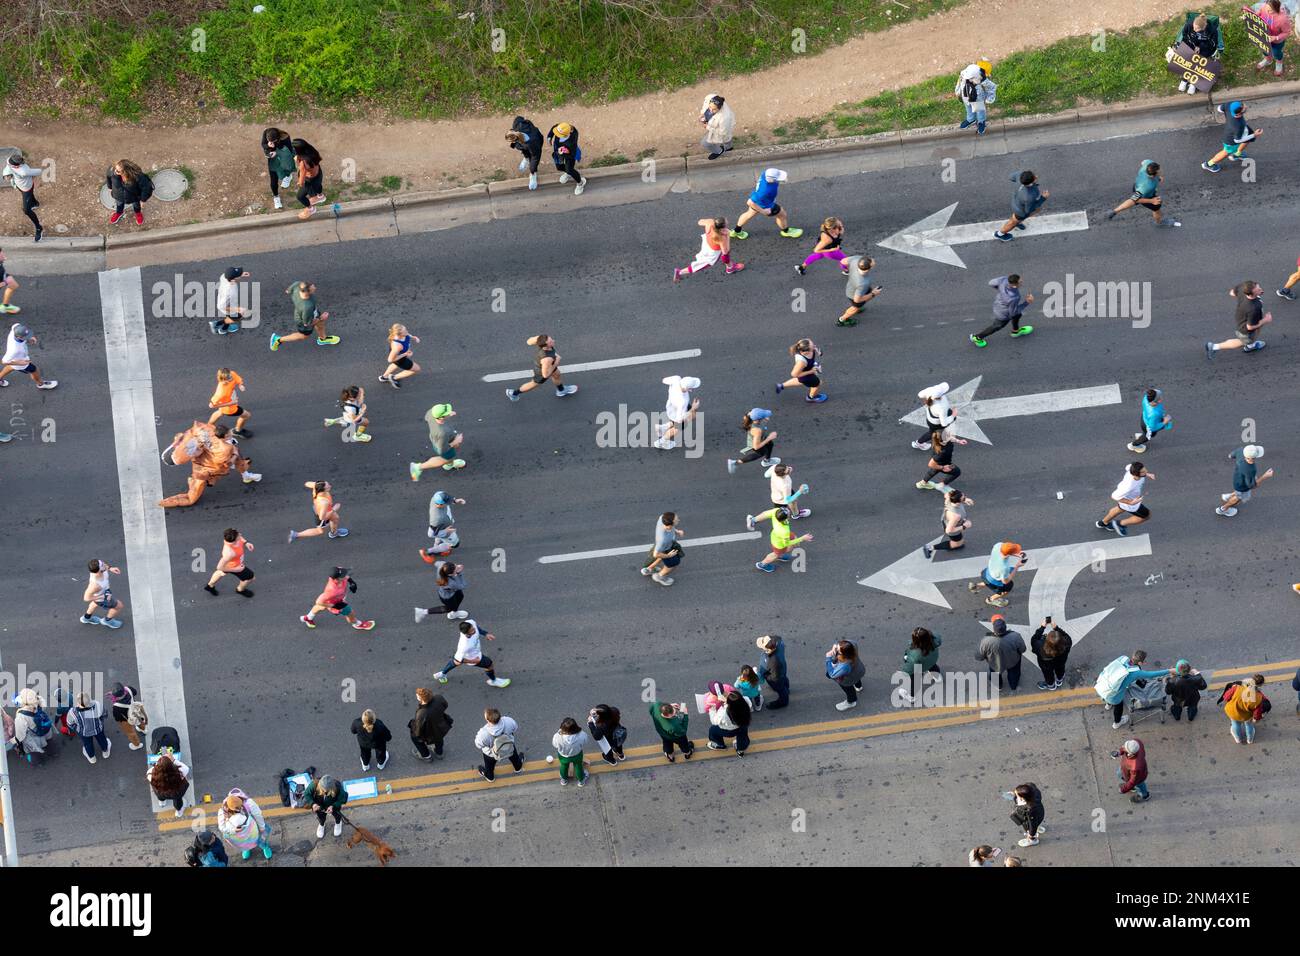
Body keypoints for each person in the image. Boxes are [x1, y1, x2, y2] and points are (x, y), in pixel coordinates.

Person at [1095, 651, 1174, 729]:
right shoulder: (1136, 673)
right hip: (1113, 695)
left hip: (1103, 687)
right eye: (1144, 661)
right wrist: (1169, 670)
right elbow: (1152, 674)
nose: (1145, 662)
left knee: (1110, 695)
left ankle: (1108, 705)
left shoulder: (1123, 658)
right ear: (1140, 663)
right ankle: (1117, 723)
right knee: (1118, 706)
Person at [433, 618, 511, 687]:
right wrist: (473, 661)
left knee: (455, 663)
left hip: (471, 653)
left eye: (472, 628)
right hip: (473, 657)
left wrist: (486, 634)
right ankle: (494, 681)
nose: (474, 630)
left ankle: (442, 674)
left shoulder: (471, 623)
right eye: (472, 630)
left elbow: (477, 628)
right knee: (489, 664)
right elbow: (458, 659)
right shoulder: (465, 645)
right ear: (466, 633)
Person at [730, 168, 802, 240]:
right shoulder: (764, 192)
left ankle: (736, 231)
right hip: (766, 205)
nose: (778, 179)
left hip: (761, 201)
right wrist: (763, 211)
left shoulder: (766, 174)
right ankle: (786, 231)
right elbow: (750, 202)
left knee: (749, 214)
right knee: (782, 215)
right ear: (771, 180)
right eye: (777, 179)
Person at [1105, 160, 1180, 228]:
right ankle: (1159, 222)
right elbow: (1136, 199)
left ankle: (1113, 212)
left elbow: (1143, 162)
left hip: (1137, 186)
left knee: (1132, 200)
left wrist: (1159, 178)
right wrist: (1152, 201)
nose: (1161, 170)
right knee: (1156, 208)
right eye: (1159, 170)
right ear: (1154, 174)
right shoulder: (1147, 186)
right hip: (1146, 195)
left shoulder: (1148, 163)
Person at [1206, 280, 1271, 356]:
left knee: (1254, 332)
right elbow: (1250, 327)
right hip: (1245, 328)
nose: (1261, 289)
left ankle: (1251, 345)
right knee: (1245, 340)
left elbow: (1232, 293)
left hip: (1242, 316)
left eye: (1258, 286)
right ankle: (1214, 346)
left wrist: (1243, 297)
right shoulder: (1254, 308)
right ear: (1251, 294)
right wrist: (1265, 320)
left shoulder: (1243, 287)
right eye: (1258, 289)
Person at [299, 566, 375, 631]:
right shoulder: (332, 590)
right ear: (336, 579)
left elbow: (345, 576)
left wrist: (352, 582)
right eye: (342, 576)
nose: (345, 575)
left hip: (336, 597)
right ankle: (357, 624)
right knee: (349, 613)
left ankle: (308, 617)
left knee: (320, 607)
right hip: (336, 602)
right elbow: (319, 601)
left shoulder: (338, 571)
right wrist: (334, 606)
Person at [505, 334, 577, 401]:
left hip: (547, 363)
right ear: (545, 346)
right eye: (550, 341)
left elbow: (528, 341)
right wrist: (556, 362)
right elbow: (545, 375)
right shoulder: (547, 359)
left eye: (551, 339)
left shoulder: (540, 340)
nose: (553, 341)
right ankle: (514, 393)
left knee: (556, 375)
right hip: (542, 371)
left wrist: (537, 338)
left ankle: (561, 390)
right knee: (533, 384)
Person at [271, 279, 338, 350]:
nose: (315, 287)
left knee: (320, 324)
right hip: (304, 319)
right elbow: (307, 324)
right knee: (304, 336)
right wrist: (321, 318)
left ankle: (323, 339)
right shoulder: (307, 307)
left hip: (308, 312)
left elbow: (287, 291)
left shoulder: (297, 284)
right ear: (306, 292)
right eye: (312, 288)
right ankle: (278, 340)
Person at [970, 274, 1034, 347]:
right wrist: (1027, 302)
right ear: (1014, 285)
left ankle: (1015, 331)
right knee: (997, 326)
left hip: (998, 304)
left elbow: (991, 283)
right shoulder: (1013, 297)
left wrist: (1001, 291)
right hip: (1003, 313)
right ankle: (977, 337)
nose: (1022, 281)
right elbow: (1013, 313)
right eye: (1020, 282)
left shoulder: (1004, 280)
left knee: (1018, 315)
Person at [673, 216, 744, 281]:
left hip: (706, 243)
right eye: (726, 223)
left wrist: (708, 222)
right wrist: (728, 235)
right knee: (699, 265)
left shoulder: (710, 222)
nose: (727, 222)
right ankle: (680, 272)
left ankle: (730, 267)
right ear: (722, 228)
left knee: (702, 257)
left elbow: (700, 222)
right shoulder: (721, 237)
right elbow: (726, 252)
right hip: (712, 252)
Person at [1094, 461, 1154, 537]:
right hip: (1131, 503)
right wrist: (1130, 503)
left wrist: (1147, 474)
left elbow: (1127, 467)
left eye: (1145, 469)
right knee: (1147, 516)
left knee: (1120, 508)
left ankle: (1103, 523)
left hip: (1125, 498)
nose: (1146, 471)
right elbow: (1114, 496)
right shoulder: (1129, 486)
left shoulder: (1131, 468)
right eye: (1143, 472)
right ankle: (1119, 524)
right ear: (1136, 474)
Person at [410, 403, 466, 480]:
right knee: (445, 458)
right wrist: (455, 442)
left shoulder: (431, 412)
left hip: (438, 438)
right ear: (441, 417)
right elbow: (442, 450)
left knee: (450, 456)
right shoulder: (443, 433)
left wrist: (448, 414)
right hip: (443, 443)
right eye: (447, 413)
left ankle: (449, 464)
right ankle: (418, 467)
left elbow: (427, 417)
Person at [1216, 444, 1273, 517]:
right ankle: (1223, 509)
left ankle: (1228, 496)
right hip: (1242, 486)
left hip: (1237, 478)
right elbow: (1252, 486)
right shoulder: (1250, 469)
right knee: (1239, 498)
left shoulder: (1241, 450)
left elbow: (1230, 455)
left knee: (1238, 491)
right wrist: (1265, 476)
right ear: (1253, 458)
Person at [750, 506, 812, 573]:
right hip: (779, 543)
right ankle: (762, 564)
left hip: (777, 535)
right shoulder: (784, 531)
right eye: (788, 514)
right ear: (785, 518)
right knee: (775, 554)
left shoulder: (776, 512)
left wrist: (754, 520)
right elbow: (786, 543)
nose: (789, 512)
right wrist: (802, 538)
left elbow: (765, 514)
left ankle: (781, 555)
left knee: (791, 546)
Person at [1202, 101, 1260, 173]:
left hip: (1239, 131)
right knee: (1225, 152)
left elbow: (1219, 109)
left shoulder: (1230, 105)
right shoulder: (1238, 125)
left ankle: (1237, 154)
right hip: (1231, 140)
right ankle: (1209, 164)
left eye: (1242, 104)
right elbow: (1237, 140)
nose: (1245, 106)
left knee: (1247, 140)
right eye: (1243, 107)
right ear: (1238, 114)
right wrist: (1254, 134)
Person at [218, 788, 273, 860]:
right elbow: (222, 827)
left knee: (261, 839)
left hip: (253, 828)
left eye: (240, 805)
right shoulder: (222, 812)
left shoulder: (249, 803)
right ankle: (246, 848)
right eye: (237, 808)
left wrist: (262, 827)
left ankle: (265, 846)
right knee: (245, 842)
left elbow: (258, 815)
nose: (240, 808)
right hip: (239, 834)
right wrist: (233, 830)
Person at [967, 541, 1026, 608]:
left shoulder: (998, 545)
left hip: (987, 572)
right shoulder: (1004, 568)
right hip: (994, 580)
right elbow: (1006, 581)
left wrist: (1017, 554)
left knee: (989, 581)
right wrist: (1017, 566)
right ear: (1009, 554)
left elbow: (1005, 552)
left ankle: (976, 586)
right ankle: (991, 600)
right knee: (1006, 589)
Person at [994, 171, 1048, 241]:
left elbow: (1011, 177)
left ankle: (1017, 222)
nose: (1036, 175)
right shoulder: (1029, 196)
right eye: (1034, 175)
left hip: (1016, 201)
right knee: (1012, 222)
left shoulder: (1020, 175)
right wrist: (1043, 198)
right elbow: (1028, 210)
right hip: (1020, 210)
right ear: (1034, 179)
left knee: (1017, 219)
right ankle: (1000, 234)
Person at [0, 322, 57, 389]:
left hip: (14, 359)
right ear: (19, 337)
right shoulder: (15, 349)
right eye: (25, 337)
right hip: (20, 361)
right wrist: (19, 363)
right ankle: (40, 384)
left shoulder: (15, 327)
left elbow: (16, 324)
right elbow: (4, 361)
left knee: (11, 367)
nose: (28, 337)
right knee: (33, 370)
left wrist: (29, 338)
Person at [1174, 13, 1222, 93]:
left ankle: (1193, 83)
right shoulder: (1189, 25)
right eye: (1194, 27)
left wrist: (1200, 47)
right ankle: (1184, 80)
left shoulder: (1212, 30)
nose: (1194, 29)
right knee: (1189, 59)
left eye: (1197, 29)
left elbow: (1213, 44)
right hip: (1192, 44)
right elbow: (1185, 36)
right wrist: (1194, 46)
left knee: (1198, 61)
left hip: (1206, 48)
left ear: (1204, 27)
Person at [977, 615, 1026, 691]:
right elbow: (1023, 649)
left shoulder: (986, 641)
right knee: (1014, 674)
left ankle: (999, 686)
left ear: (994, 629)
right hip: (1012, 661)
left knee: (995, 675)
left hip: (995, 663)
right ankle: (1013, 685)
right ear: (1005, 627)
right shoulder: (1015, 636)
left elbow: (979, 657)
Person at [2, 153, 43, 241]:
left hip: (26, 188)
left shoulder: (24, 171)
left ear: (17, 166)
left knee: (26, 210)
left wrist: (40, 171)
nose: (9, 164)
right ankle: (35, 203)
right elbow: (8, 167)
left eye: (11, 165)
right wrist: (6, 175)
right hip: (19, 185)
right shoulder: (10, 160)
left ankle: (39, 228)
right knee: (30, 199)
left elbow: (38, 171)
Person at [475, 707, 524, 781]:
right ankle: (518, 768)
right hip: (508, 746)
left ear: (487, 720)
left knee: (489, 766)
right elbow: (515, 728)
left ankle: (490, 777)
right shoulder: (508, 721)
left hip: (491, 753)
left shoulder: (483, 733)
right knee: (514, 757)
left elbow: (478, 745)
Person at [204, 527, 255, 598]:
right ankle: (240, 590)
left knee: (220, 572)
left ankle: (210, 586)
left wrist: (246, 543)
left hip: (230, 563)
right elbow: (219, 567)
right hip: (234, 566)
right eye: (238, 535)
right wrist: (236, 569)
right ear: (234, 540)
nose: (240, 534)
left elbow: (239, 537)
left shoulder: (229, 537)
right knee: (250, 578)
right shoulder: (229, 553)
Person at [654, 375, 701, 450]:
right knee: (678, 427)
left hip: (671, 406)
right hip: (676, 413)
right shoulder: (682, 401)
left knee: (693, 415)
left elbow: (664, 380)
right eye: (691, 388)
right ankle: (661, 442)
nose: (691, 390)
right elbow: (679, 420)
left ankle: (662, 428)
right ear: (686, 388)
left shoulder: (676, 379)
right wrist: (693, 408)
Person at [726, 408, 779, 474]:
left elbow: (750, 414)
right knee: (761, 453)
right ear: (758, 419)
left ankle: (767, 461)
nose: (767, 418)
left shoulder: (751, 415)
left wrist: (764, 419)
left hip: (761, 438)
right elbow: (756, 447)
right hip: (756, 444)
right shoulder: (757, 430)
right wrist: (769, 438)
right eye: (764, 416)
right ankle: (735, 462)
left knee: (770, 444)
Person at [924, 489, 973, 560]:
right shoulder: (956, 516)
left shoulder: (949, 498)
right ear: (958, 502)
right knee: (957, 543)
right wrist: (964, 526)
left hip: (948, 520)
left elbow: (946, 494)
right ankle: (929, 548)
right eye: (963, 498)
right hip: (953, 528)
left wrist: (965, 499)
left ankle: (957, 543)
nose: (965, 497)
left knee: (960, 540)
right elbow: (949, 531)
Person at [899, 626, 942, 704]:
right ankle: (937, 677)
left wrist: (905, 658)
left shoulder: (916, 654)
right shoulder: (935, 640)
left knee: (916, 679)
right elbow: (938, 637)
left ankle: (911, 697)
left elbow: (909, 668)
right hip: (932, 659)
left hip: (921, 665)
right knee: (932, 666)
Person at [420, 490, 466, 563]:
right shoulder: (437, 519)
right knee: (454, 544)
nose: (448, 504)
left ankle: (436, 546)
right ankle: (427, 552)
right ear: (440, 505)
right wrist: (446, 531)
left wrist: (455, 500)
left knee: (439, 538)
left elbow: (445, 496)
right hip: (444, 529)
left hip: (442, 526)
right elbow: (432, 534)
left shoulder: (435, 497)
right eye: (446, 503)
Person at [1221, 674, 1269, 743]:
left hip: (1232, 711)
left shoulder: (1237, 688)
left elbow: (1225, 697)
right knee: (1249, 725)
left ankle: (1238, 739)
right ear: (1261, 685)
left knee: (1235, 724)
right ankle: (1250, 740)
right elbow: (1257, 713)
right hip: (1246, 716)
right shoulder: (1259, 697)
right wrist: (1256, 719)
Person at [776, 338, 826, 403]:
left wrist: (817, 351)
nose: (814, 346)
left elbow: (810, 345)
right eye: (812, 347)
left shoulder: (802, 344)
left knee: (799, 380)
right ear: (806, 352)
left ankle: (781, 386)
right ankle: (811, 397)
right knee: (817, 384)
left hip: (806, 371)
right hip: (806, 375)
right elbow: (794, 374)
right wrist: (812, 371)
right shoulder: (801, 362)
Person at [916, 426, 966, 491]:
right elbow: (931, 464)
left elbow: (949, 438)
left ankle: (922, 483)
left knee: (934, 470)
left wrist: (958, 441)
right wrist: (943, 467)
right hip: (944, 463)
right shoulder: (942, 451)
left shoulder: (937, 436)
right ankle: (942, 485)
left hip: (939, 459)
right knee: (957, 472)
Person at [837, 254, 881, 327]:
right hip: (853, 294)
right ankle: (842, 320)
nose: (873, 260)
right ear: (868, 269)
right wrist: (873, 293)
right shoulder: (862, 283)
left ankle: (858, 308)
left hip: (852, 287)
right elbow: (857, 300)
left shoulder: (857, 260)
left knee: (861, 301)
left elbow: (843, 261)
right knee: (855, 308)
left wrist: (846, 270)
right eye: (871, 262)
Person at [641, 511, 683, 587]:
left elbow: (671, 527)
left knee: (660, 558)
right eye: (676, 520)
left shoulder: (662, 518)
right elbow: (656, 554)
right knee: (673, 563)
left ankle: (649, 569)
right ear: (671, 523)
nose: (678, 520)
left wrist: (677, 531)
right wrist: (668, 556)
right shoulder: (663, 539)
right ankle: (659, 576)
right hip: (665, 549)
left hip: (659, 546)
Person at [67, 691, 110, 764]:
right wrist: (101, 721)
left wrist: (77, 729)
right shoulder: (97, 705)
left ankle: (92, 757)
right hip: (98, 729)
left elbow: (70, 724)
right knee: (102, 740)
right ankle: (105, 752)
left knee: (88, 744)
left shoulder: (72, 713)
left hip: (84, 732)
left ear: (78, 703)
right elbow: (105, 714)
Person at [81, 558, 126, 629]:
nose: (104, 564)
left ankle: (86, 618)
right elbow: (86, 598)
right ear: (98, 570)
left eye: (101, 562)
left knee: (94, 604)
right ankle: (107, 621)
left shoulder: (101, 569)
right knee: (119, 606)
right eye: (102, 565)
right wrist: (101, 597)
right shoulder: (95, 585)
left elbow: (104, 565)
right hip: (102, 598)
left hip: (102, 592)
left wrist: (110, 568)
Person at [409, 687, 452, 761]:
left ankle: (426, 756)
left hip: (429, 731)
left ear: (421, 699)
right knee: (439, 738)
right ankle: (439, 753)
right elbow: (445, 705)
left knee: (415, 738)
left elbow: (419, 729)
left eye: (417, 696)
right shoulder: (439, 698)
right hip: (441, 725)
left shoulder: (422, 713)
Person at [954, 60, 996, 134]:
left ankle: (981, 121)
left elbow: (991, 87)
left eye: (971, 78)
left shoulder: (982, 79)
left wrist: (990, 98)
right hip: (966, 97)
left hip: (977, 99)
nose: (968, 79)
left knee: (980, 110)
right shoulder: (964, 75)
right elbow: (959, 82)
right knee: (968, 108)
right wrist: (958, 91)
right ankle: (971, 119)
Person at [106, 159, 152, 225]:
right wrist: (109, 187)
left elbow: (146, 188)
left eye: (118, 171)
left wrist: (143, 200)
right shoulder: (112, 170)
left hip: (134, 197)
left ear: (126, 172)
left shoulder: (138, 176)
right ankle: (119, 212)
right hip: (118, 195)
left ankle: (138, 213)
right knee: (119, 205)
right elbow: (108, 177)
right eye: (116, 169)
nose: (115, 171)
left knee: (136, 205)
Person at [13, 688, 54, 763]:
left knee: (34, 752)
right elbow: (42, 704)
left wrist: (18, 741)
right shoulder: (40, 701)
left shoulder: (21, 716)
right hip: (45, 727)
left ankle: (37, 761)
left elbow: (20, 734)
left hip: (35, 735)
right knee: (49, 742)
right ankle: (52, 752)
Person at [206, 368, 252, 435]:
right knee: (246, 415)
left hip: (226, 401)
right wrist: (231, 403)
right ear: (223, 379)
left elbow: (237, 378)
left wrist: (240, 385)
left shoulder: (231, 374)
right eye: (229, 378)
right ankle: (237, 431)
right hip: (230, 408)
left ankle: (209, 426)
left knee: (220, 412)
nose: (231, 378)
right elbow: (211, 405)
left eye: (230, 376)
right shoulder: (221, 392)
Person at [707, 690, 753, 755]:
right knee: (743, 737)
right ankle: (740, 749)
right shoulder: (745, 701)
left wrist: (712, 710)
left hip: (730, 731)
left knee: (713, 730)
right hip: (743, 724)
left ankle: (720, 745)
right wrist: (727, 701)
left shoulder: (724, 713)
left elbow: (714, 721)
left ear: (729, 703)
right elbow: (737, 703)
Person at [1030, 620, 1072, 691]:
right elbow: (1065, 635)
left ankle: (1051, 686)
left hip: (1046, 665)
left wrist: (1042, 627)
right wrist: (1056, 627)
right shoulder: (1067, 643)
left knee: (1048, 675)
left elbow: (1034, 639)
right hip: (1061, 662)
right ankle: (1059, 680)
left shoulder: (1040, 646)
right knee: (1060, 669)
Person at [545, 122, 586, 195]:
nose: (556, 135)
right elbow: (554, 128)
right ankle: (567, 173)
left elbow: (571, 155)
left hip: (569, 155)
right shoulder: (563, 127)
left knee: (570, 169)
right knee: (559, 167)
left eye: (558, 134)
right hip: (558, 152)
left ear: (565, 135)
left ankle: (580, 183)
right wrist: (549, 137)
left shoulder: (571, 142)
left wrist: (564, 153)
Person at [146, 753, 191, 817]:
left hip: (160, 792)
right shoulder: (180, 772)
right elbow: (186, 768)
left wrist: (160, 762)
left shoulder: (150, 773)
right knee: (177, 801)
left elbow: (153, 769)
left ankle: (162, 803)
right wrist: (173, 760)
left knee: (160, 796)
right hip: (176, 792)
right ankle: (179, 812)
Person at [825, 639, 866, 711]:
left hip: (848, 680)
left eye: (838, 651)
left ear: (845, 655)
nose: (836, 651)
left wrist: (828, 658)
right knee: (856, 679)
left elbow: (832, 674)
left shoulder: (845, 665)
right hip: (859, 670)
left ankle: (851, 701)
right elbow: (850, 642)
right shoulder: (853, 647)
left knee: (848, 689)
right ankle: (859, 687)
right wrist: (835, 646)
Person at [261, 127, 296, 210]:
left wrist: (277, 151)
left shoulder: (285, 137)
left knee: (287, 168)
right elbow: (263, 144)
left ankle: (288, 176)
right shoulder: (266, 132)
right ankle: (276, 197)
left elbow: (289, 152)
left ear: (277, 139)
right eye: (268, 140)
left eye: (272, 141)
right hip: (273, 159)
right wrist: (268, 147)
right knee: (273, 179)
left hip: (284, 156)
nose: (269, 142)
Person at [1128, 388, 1172, 453]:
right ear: (1155, 401)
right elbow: (1153, 428)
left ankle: (1142, 435)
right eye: (1159, 398)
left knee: (1146, 433)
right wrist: (1164, 422)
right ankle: (1133, 445)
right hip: (1148, 426)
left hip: (1144, 418)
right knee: (1148, 437)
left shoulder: (1146, 398)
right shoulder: (1154, 414)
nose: (1161, 399)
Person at [1254, 0, 1292, 77]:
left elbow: (1287, 32)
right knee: (1264, 48)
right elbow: (1260, 11)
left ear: (1277, 8)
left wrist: (1276, 37)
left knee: (1276, 53)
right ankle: (1268, 60)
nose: (1268, 11)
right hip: (1264, 36)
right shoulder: (1265, 7)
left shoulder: (1282, 19)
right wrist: (1253, 15)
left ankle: (1279, 62)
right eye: (1267, 9)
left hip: (1277, 41)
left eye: (1271, 10)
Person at [506, 115, 544, 190]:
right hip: (526, 145)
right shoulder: (518, 126)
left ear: (516, 139)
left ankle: (533, 176)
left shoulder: (531, 143)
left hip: (535, 147)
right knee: (525, 152)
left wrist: (532, 169)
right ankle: (526, 158)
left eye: (512, 141)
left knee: (532, 162)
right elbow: (519, 118)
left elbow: (535, 157)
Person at [210, 267, 251, 335]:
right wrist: (238, 309)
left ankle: (220, 326)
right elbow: (222, 306)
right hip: (226, 305)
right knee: (239, 315)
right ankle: (221, 328)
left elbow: (230, 275)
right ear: (233, 279)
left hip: (223, 299)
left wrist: (241, 274)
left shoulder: (223, 276)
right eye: (238, 275)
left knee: (231, 316)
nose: (239, 274)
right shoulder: (231, 291)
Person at [107, 682, 147, 750]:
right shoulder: (129, 689)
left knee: (130, 732)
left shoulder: (116, 707)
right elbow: (135, 692)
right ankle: (143, 729)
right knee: (140, 720)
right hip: (135, 710)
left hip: (126, 719)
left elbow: (118, 718)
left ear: (115, 696)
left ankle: (137, 744)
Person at [292, 139, 326, 219]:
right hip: (318, 173)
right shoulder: (312, 151)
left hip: (309, 179)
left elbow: (302, 178)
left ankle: (311, 209)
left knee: (300, 196)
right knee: (318, 185)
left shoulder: (303, 163)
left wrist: (300, 183)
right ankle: (320, 197)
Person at [552, 717, 590, 786]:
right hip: (577, 755)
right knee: (578, 767)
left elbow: (555, 745)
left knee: (563, 766)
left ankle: (564, 781)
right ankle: (581, 781)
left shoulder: (557, 736)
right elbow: (585, 741)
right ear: (575, 726)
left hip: (563, 756)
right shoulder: (582, 734)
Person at [1006, 782, 1046, 847]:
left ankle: (1033, 840)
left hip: (1029, 820)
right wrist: (1015, 794)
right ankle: (1037, 827)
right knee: (1036, 822)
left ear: (1023, 798)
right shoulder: (1033, 791)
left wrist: (1031, 834)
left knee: (1031, 828)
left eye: (1017, 794)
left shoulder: (1029, 810)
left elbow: (1031, 823)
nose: (1015, 794)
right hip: (1040, 814)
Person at [756, 634, 790, 709]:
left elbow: (775, 677)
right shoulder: (778, 641)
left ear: (767, 649)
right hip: (782, 668)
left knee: (780, 688)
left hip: (776, 676)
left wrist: (766, 676)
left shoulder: (772, 661)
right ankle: (787, 689)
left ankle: (783, 701)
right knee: (784, 679)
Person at [700, 93, 735, 159]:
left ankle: (719, 151)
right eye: (710, 107)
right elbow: (705, 104)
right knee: (727, 138)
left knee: (705, 143)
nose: (710, 110)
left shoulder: (724, 118)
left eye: (714, 109)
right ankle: (729, 147)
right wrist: (702, 113)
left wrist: (708, 127)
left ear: (720, 108)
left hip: (724, 127)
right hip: (720, 124)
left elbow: (722, 133)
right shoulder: (710, 97)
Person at [0, 249, 22, 314]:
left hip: (2, 276)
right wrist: (5, 282)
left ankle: (5, 306)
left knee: (13, 285)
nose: (3, 255)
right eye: (1, 254)